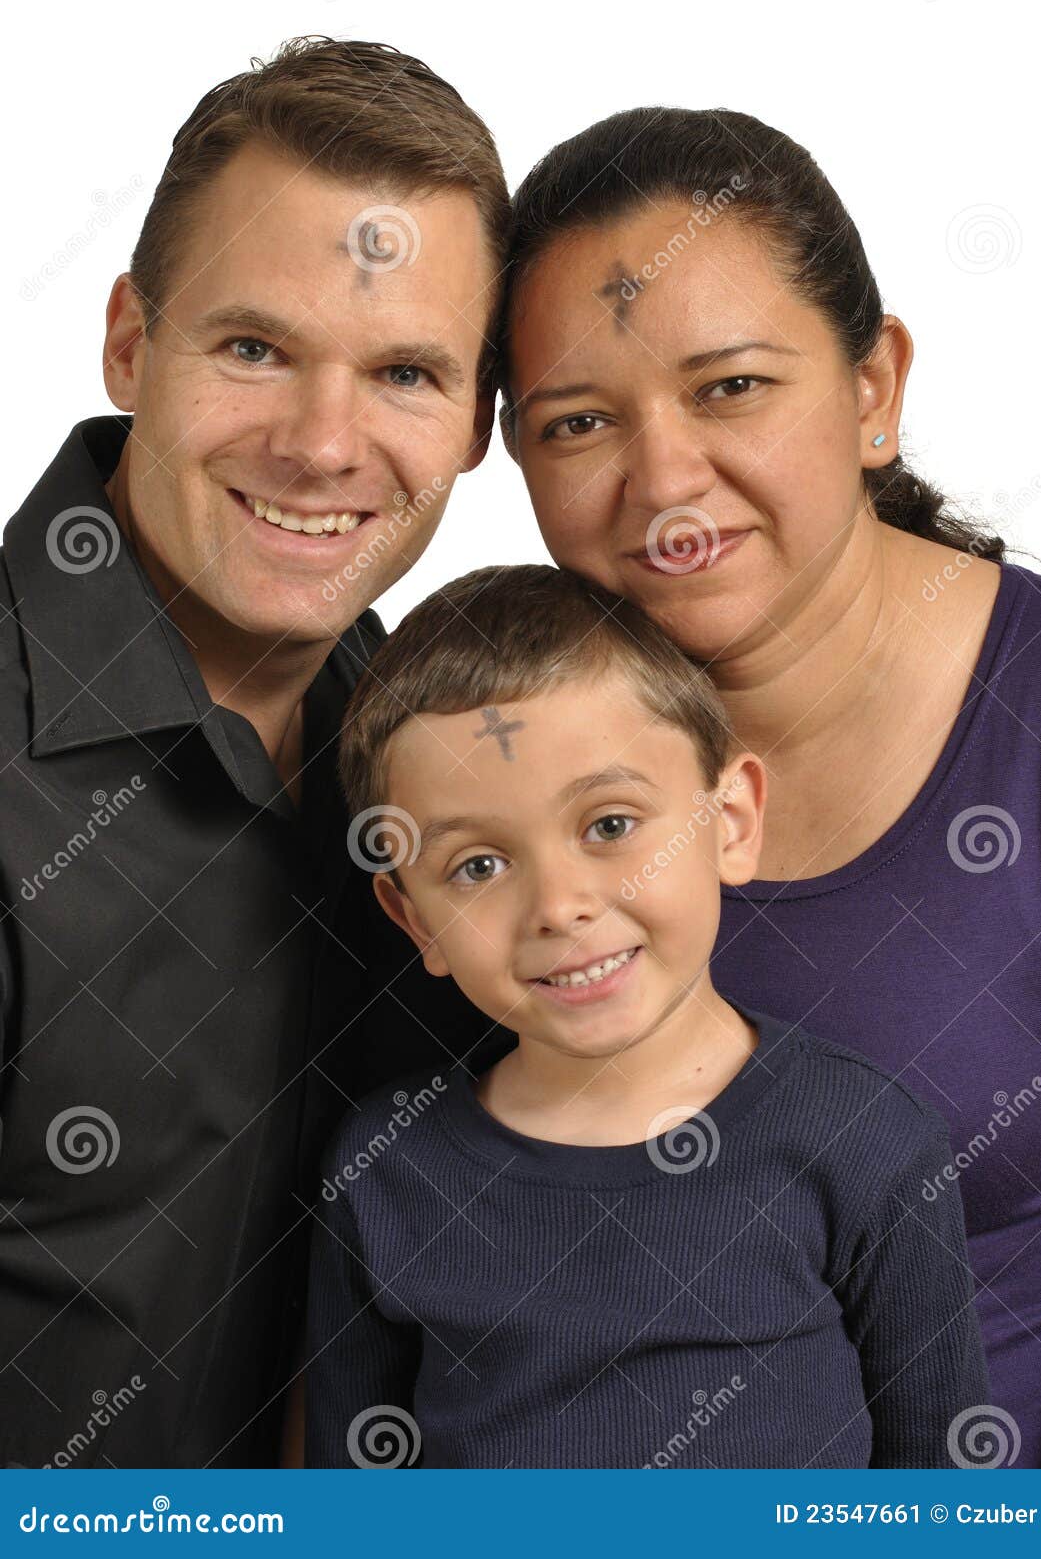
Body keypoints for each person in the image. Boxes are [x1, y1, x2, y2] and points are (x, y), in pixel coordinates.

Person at [493, 106, 1041, 1468]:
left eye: (730, 387)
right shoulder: (480, 740)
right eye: (579, 421)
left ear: (871, 390)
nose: (662, 477)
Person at [0, 36, 507, 1467]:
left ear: (477, 420)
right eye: (254, 349)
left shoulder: (444, 752)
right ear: (128, 342)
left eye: (403, 372)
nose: (322, 444)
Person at [305, 563, 989, 1469]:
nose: (560, 906)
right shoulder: (384, 1169)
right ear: (414, 920)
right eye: (477, 866)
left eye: (609, 825)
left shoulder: (864, 1140)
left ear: (730, 820)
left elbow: (946, 1495)